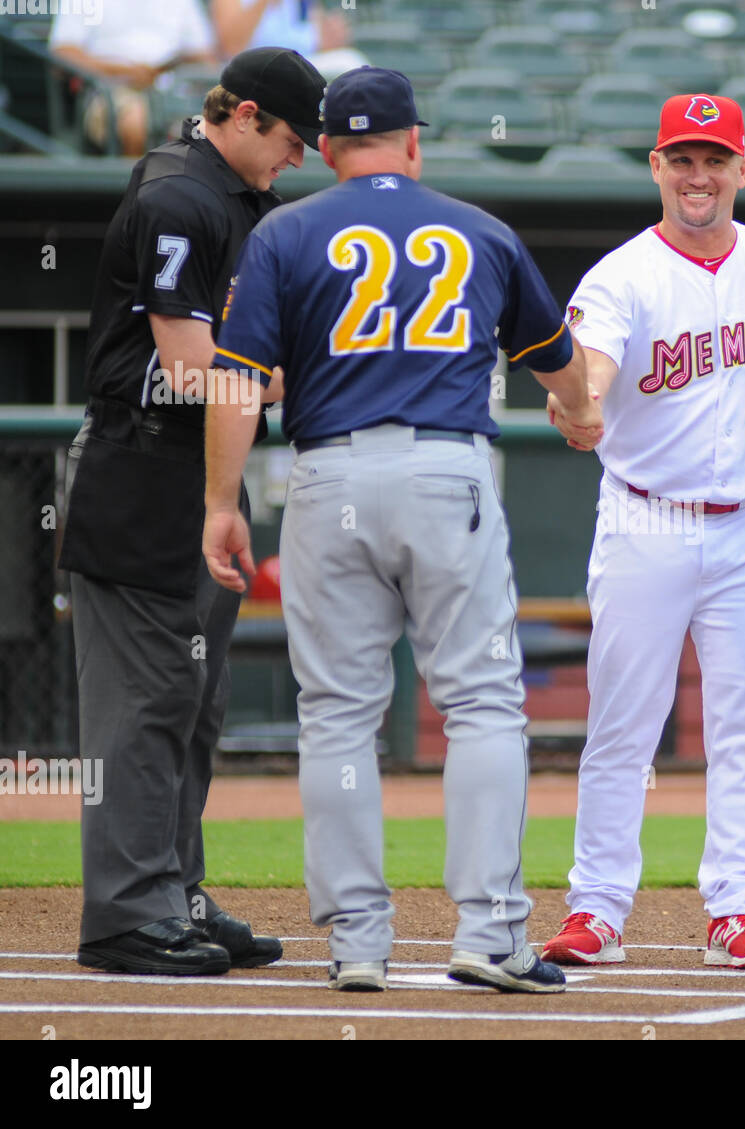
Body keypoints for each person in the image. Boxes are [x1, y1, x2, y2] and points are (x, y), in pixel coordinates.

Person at [202, 66, 602, 994]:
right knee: (483, 704)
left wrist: (224, 503)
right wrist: (580, 413)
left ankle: (357, 943)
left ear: (330, 147)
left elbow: (233, 382)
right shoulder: (481, 230)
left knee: (336, 714)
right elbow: (561, 366)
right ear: (414, 142)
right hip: (442, 470)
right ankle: (489, 932)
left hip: (326, 472)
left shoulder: (284, 230)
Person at [541, 93, 745, 971]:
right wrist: (584, 402)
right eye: (682, 157)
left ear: (743, 171)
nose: (698, 175)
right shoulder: (621, 275)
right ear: (656, 167)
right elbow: (590, 368)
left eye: (714, 158)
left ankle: (738, 910)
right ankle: (597, 908)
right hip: (646, 517)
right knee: (622, 725)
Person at [59, 47, 326, 976]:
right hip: (139, 466)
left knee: (194, 702)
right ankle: (130, 913)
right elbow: (182, 371)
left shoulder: (242, 198)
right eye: (291, 139)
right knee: (146, 703)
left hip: (202, 470)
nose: (298, 159)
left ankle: (174, 892)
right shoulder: (180, 195)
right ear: (245, 115)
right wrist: (268, 379)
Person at [50, 0, 218, 156]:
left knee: (211, 126)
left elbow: (204, 57)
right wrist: (124, 72)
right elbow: (63, 53)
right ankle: (138, 185)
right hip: (108, 91)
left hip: (174, 91)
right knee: (136, 120)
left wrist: (170, 65)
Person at [210, 0, 368, 80]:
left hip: (300, 69)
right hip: (252, 74)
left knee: (352, 63)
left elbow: (317, 41)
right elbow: (231, 48)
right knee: (348, 63)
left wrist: (332, 38)